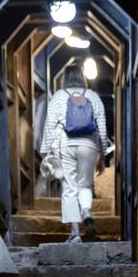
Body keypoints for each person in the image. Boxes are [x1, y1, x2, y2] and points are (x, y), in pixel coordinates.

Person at [40, 65, 109, 242]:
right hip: (89, 145)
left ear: (65, 78)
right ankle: (87, 213)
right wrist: (103, 154)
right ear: (82, 78)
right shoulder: (92, 96)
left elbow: (49, 125)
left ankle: (75, 233)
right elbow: (101, 127)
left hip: (67, 144)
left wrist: (47, 151)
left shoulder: (58, 97)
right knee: (85, 185)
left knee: (69, 188)